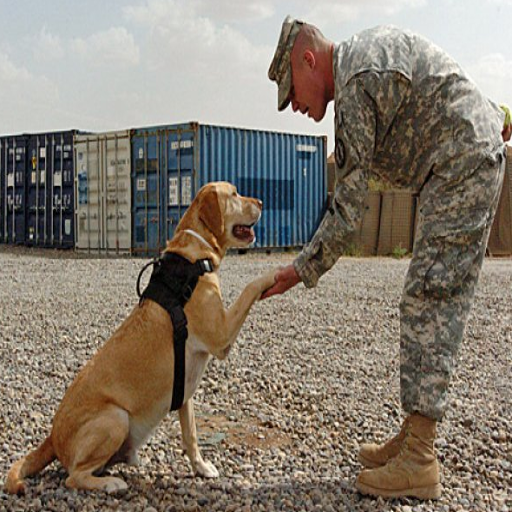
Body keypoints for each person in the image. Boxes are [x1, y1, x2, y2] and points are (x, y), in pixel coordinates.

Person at [264, 16, 507, 500]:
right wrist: (495, 114)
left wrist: (300, 269)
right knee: (423, 294)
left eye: (294, 92)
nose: (294, 106)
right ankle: (413, 436)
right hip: (459, 159)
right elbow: (441, 82)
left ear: (309, 60)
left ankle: (420, 458)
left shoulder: (355, 85)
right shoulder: (363, 60)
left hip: (462, 166)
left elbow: (349, 211)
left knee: (429, 298)